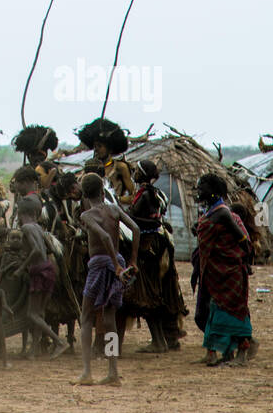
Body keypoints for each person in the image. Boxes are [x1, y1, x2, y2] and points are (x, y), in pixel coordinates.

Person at [75, 172, 140, 386]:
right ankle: (113, 371)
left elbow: (102, 237)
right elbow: (136, 229)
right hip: (117, 263)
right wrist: (131, 260)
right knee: (110, 320)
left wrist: (116, 265)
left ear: (85, 195)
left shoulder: (87, 215)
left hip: (100, 265)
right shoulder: (114, 209)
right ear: (103, 192)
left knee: (86, 318)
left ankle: (86, 372)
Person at [121, 159, 186, 354]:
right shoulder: (156, 193)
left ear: (142, 174)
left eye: (137, 171)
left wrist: (123, 215)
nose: (133, 174)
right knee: (157, 292)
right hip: (157, 243)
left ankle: (159, 341)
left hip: (147, 247)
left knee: (147, 294)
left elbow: (142, 218)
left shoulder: (146, 194)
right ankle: (167, 339)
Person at [195, 173, 254, 368]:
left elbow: (241, 239)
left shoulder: (222, 212)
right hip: (216, 273)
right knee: (217, 312)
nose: (199, 190)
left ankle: (242, 352)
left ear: (213, 190)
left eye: (202, 186)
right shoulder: (211, 212)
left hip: (229, 271)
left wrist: (243, 259)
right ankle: (224, 353)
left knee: (235, 312)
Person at [14, 198, 69, 359]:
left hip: (38, 272)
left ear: (20, 213)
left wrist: (21, 267)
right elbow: (51, 248)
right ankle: (33, 351)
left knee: (32, 314)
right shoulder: (39, 228)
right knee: (39, 313)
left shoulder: (25, 227)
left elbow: (37, 250)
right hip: (49, 270)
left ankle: (59, 342)